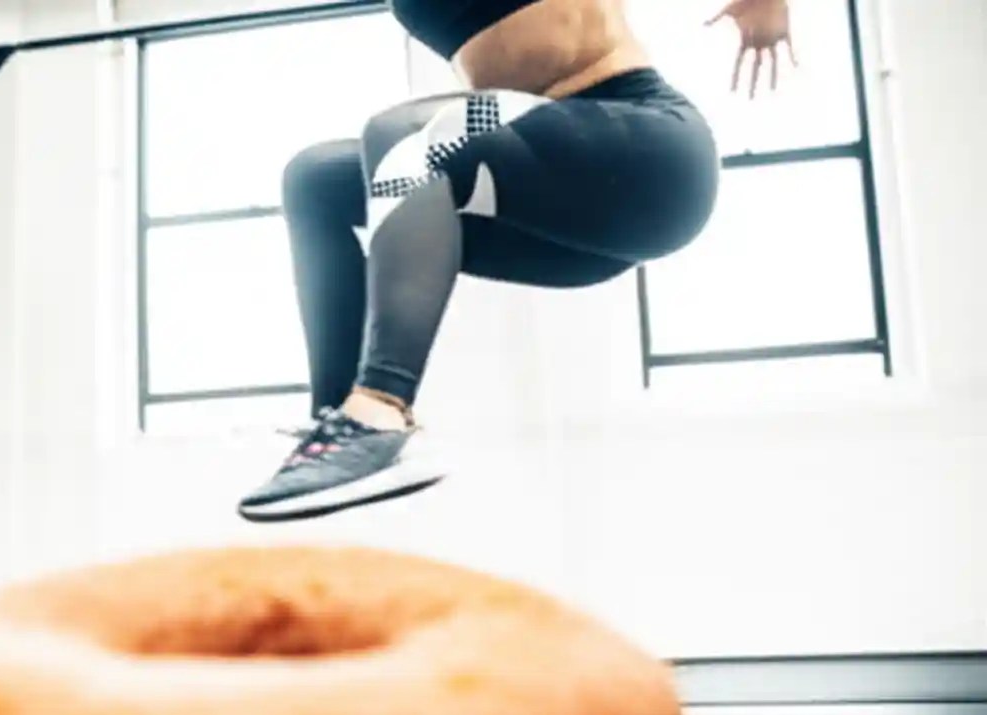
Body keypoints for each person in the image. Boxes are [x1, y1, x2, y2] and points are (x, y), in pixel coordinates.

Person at [237, 0, 798, 522]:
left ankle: (380, 408)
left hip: (643, 148)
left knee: (407, 137)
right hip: (556, 197)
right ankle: (338, 427)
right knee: (315, 180)